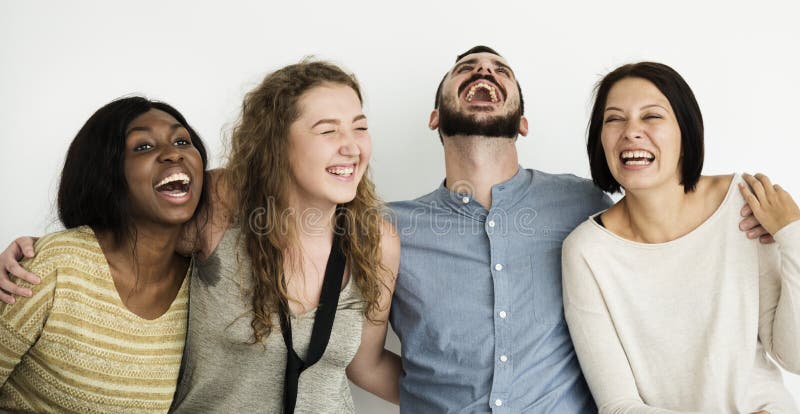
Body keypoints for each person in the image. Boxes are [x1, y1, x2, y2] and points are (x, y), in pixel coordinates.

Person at [386, 46, 773, 413]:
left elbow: (663, 228)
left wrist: (740, 211)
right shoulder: (389, 228)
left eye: (501, 70)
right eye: (466, 69)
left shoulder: (584, 205)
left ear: (522, 123)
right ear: (435, 115)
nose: (484, 70)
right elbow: (363, 361)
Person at [0, 61, 401, 412]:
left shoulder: (376, 242)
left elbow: (367, 366)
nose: (351, 147)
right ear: (276, 142)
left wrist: (460, 394)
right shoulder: (218, 202)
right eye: (328, 130)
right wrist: (39, 251)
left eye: (360, 127)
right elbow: (134, 225)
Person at [562, 61, 800, 413]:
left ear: (685, 133)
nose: (631, 132)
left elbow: (792, 356)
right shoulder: (586, 251)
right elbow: (618, 405)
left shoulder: (743, 204)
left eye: (652, 116)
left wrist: (792, 234)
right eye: (614, 119)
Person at [0, 96, 209, 412]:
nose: (173, 153)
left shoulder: (205, 287)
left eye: (182, 141)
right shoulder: (53, 267)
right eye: (143, 147)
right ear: (106, 172)